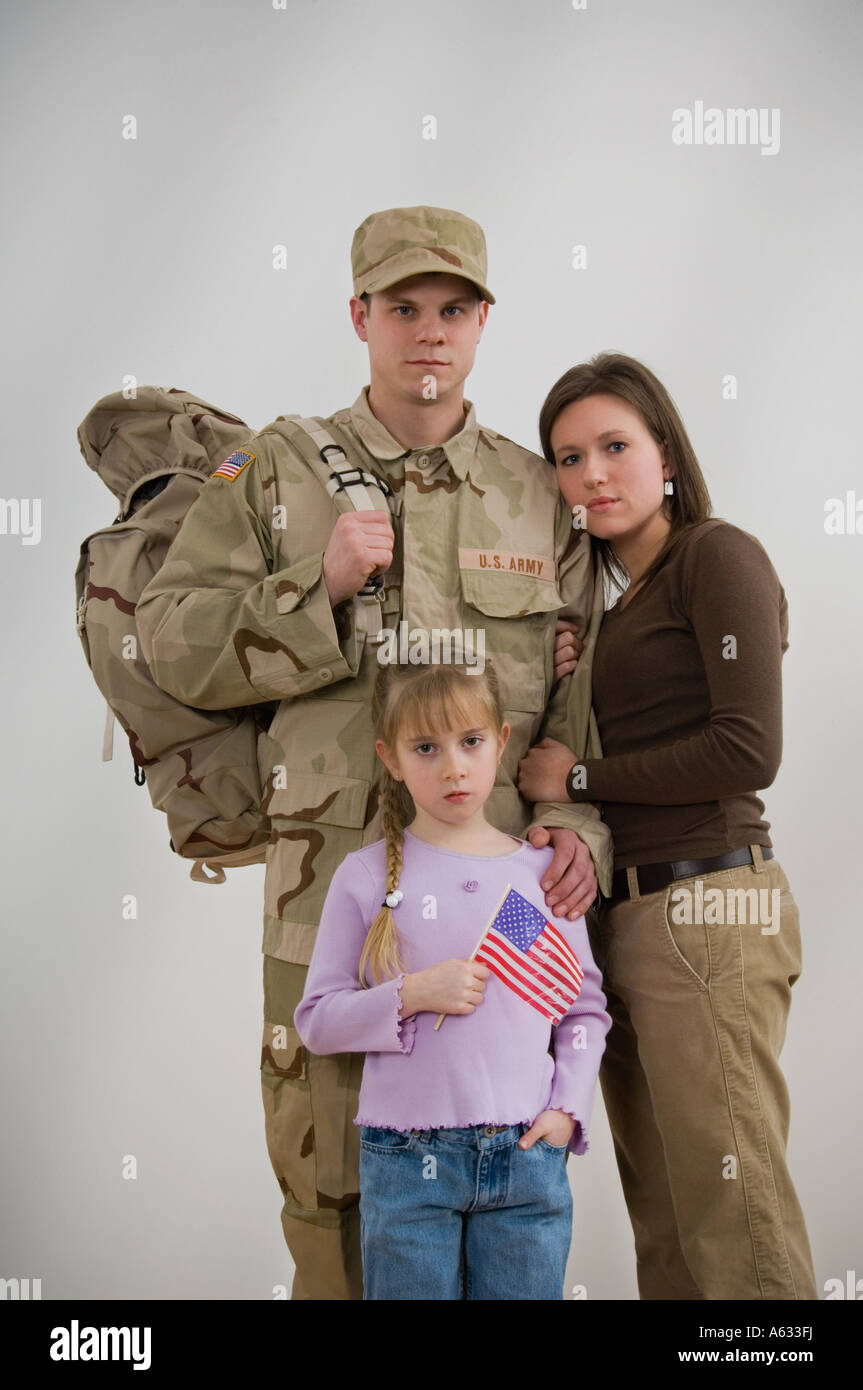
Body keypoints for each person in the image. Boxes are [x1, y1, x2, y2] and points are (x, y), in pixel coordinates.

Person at [135, 206, 612, 1301]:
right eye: (402, 307)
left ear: (484, 320)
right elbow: (165, 643)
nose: (428, 333)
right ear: (359, 315)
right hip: (331, 893)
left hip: (500, 902)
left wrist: (575, 819)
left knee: (506, 1173)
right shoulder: (276, 471)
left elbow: (576, 696)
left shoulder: (538, 494)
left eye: (453, 309)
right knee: (326, 1178)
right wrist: (320, 589)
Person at [517, 351, 818, 1300]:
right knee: (669, 1226)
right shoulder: (609, 603)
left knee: (738, 1225)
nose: (592, 475)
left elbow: (746, 749)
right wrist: (560, 658)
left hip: (707, 911)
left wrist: (580, 772)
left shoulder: (715, 555)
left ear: (667, 459)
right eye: (567, 459)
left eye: (614, 446)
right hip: (619, 921)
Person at [294, 659, 611, 1300]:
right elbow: (317, 1020)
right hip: (409, 1164)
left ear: (502, 739)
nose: (453, 767)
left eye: (470, 742)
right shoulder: (364, 877)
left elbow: (582, 1010)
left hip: (527, 1155)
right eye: (425, 748)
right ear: (390, 757)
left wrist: (565, 1110)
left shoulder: (540, 873)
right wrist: (412, 994)